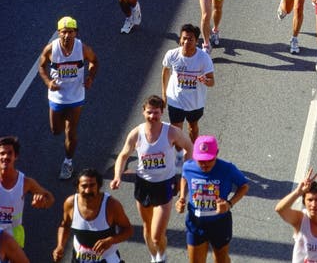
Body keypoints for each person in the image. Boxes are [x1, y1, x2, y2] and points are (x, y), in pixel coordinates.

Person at [111, 95, 193, 263]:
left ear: (162, 112)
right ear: (143, 112)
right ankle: (153, 257)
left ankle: (161, 257)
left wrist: (187, 169)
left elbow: (189, 147)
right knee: (147, 228)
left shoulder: (171, 132)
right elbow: (123, 155)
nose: (152, 116)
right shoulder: (137, 133)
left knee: (157, 235)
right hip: (143, 185)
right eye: (149, 112)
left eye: (156, 113)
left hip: (164, 185)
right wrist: (117, 176)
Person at [37, 16, 98, 180]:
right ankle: (64, 123)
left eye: (70, 32)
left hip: (76, 96)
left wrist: (90, 77)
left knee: (71, 132)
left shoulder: (82, 49)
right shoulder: (51, 49)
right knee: (56, 130)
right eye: (63, 32)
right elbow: (41, 66)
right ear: (58, 33)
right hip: (57, 96)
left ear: (75, 33)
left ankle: (68, 162)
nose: (66, 36)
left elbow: (94, 61)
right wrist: (48, 82)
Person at [176, 134, 249, 263]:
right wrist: (182, 197)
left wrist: (229, 204)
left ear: (217, 153)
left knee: (221, 260)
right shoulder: (188, 166)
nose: (204, 164)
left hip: (219, 223)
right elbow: (184, 177)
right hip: (195, 221)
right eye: (201, 160)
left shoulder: (227, 169)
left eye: (209, 159)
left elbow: (244, 186)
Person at [52, 169, 133, 263]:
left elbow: (128, 230)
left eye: (92, 185)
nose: (88, 190)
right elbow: (65, 225)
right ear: (77, 187)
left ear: (98, 186)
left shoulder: (111, 205)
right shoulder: (70, 203)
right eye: (84, 186)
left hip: (106, 258)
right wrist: (60, 246)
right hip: (79, 257)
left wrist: (111, 240)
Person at [161, 24, 215, 141]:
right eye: (184, 38)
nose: (186, 42)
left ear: (196, 41)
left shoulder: (204, 58)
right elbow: (165, 72)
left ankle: (193, 152)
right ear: (180, 39)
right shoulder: (172, 54)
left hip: (195, 102)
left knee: (192, 127)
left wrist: (206, 80)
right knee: (176, 129)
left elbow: (212, 81)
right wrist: (164, 95)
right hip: (175, 100)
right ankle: (180, 155)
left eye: (190, 39)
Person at [0, 135, 54, 248]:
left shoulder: (26, 182)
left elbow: (50, 199)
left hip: (14, 236)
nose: (5, 157)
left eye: (9, 153)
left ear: (16, 156)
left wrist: (42, 202)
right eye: (2, 153)